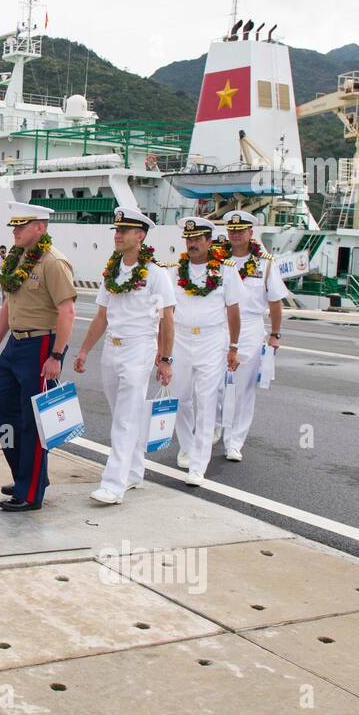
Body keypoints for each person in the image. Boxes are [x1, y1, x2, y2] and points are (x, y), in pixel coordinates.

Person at [74, 207, 176, 505]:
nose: (117, 235)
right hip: (111, 347)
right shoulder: (112, 272)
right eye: (116, 230)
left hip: (139, 348)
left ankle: (113, 485)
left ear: (140, 235)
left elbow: (167, 319)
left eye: (124, 231)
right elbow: (101, 317)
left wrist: (166, 359)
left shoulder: (156, 274)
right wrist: (84, 350)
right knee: (123, 413)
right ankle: (133, 471)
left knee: (125, 419)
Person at [0, 202, 78, 512]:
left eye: (22, 226)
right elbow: (9, 304)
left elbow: (67, 311)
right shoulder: (17, 259)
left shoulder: (53, 262)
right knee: (1, 410)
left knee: (34, 421)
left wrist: (56, 356)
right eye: (14, 226)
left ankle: (30, 492)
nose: (15, 231)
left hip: (41, 345)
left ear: (40, 227)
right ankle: (26, 476)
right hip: (15, 344)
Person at [170, 217, 241, 487]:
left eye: (198, 238)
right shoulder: (176, 271)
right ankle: (187, 446)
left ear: (209, 241)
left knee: (206, 400)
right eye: (189, 239)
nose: (192, 243)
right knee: (179, 397)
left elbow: (233, 311)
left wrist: (233, 347)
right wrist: (162, 349)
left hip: (211, 340)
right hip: (180, 338)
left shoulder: (226, 271)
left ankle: (198, 465)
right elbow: (167, 311)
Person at [214, 209, 289, 461]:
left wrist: (275, 334)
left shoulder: (264, 263)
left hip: (249, 327)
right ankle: (214, 426)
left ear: (250, 232)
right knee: (213, 383)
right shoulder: (217, 259)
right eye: (231, 230)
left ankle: (234, 441)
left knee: (243, 388)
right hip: (218, 324)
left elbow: (275, 301)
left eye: (240, 230)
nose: (235, 235)